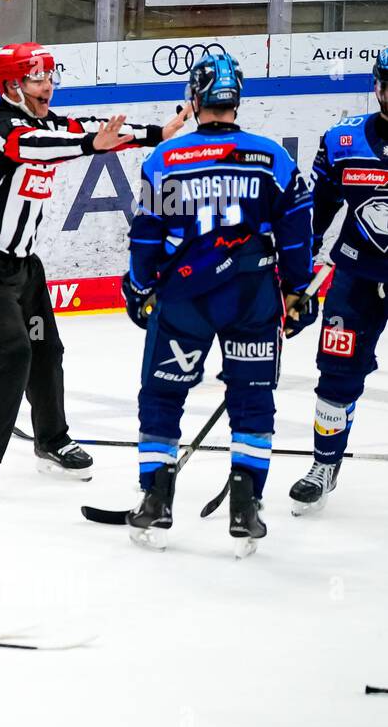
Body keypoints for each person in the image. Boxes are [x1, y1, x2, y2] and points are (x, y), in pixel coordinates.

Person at [0, 41, 192, 499]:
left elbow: (96, 127)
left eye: (49, 77)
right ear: (12, 86)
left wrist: (159, 132)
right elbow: (41, 145)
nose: (47, 87)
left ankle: (52, 441)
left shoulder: (52, 121)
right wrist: (90, 145)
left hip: (23, 266)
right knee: (12, 353)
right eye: (37, 79)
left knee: (45, 350)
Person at [121, 51, 317, 557]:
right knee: (253, 400)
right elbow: (297, 236)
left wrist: (139, 287)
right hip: (251, 298)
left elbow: (146, 238)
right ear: (235, 100)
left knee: (163, 396)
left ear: (195, 98)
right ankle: (245, 503)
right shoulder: (273, 157)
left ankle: (156, 497)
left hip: (184, 298)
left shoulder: (163, 160)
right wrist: (297, 291)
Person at [288, 48, 388, 514]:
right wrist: (297, 277)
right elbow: (316, 213)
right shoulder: (343, 141)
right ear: (377, 86)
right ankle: (323, 466)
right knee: (336, 372)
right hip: (356, 275)